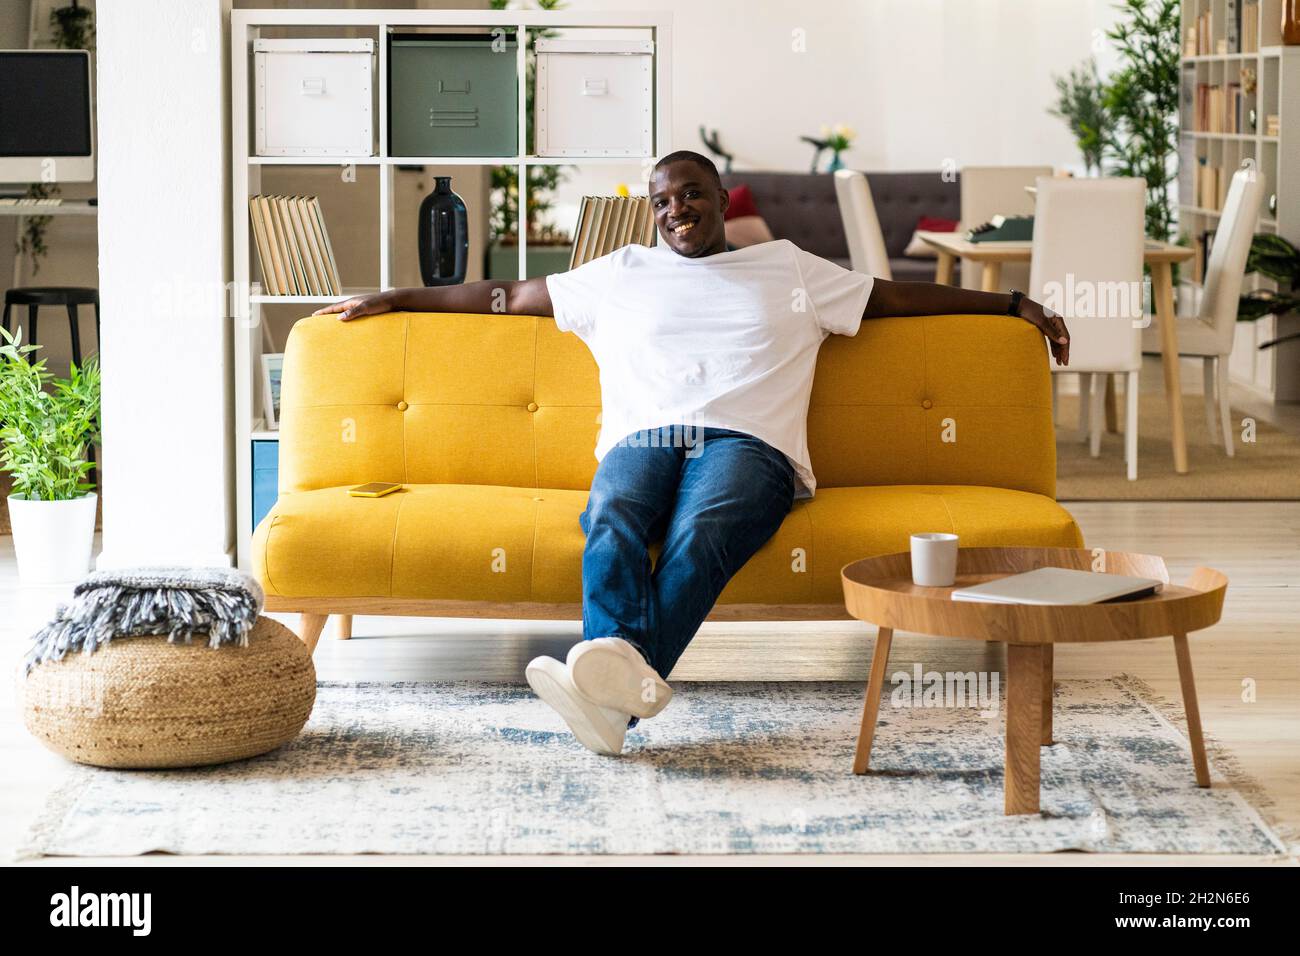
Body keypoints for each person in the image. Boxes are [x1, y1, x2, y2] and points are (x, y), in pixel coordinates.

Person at [315, 150, 1071, 756]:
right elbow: (506, 296)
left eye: (691, 194)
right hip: (643, 439)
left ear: (719, 195)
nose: (677, 209)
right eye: (663, 201)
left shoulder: (788, 267)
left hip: (750, 444)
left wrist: (1010, 304)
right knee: (610, 514)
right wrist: (399, 297)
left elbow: (896, 298)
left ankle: (601, 689)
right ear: (653, 212)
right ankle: (614, 699)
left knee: (701, 532)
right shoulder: (620, 275)